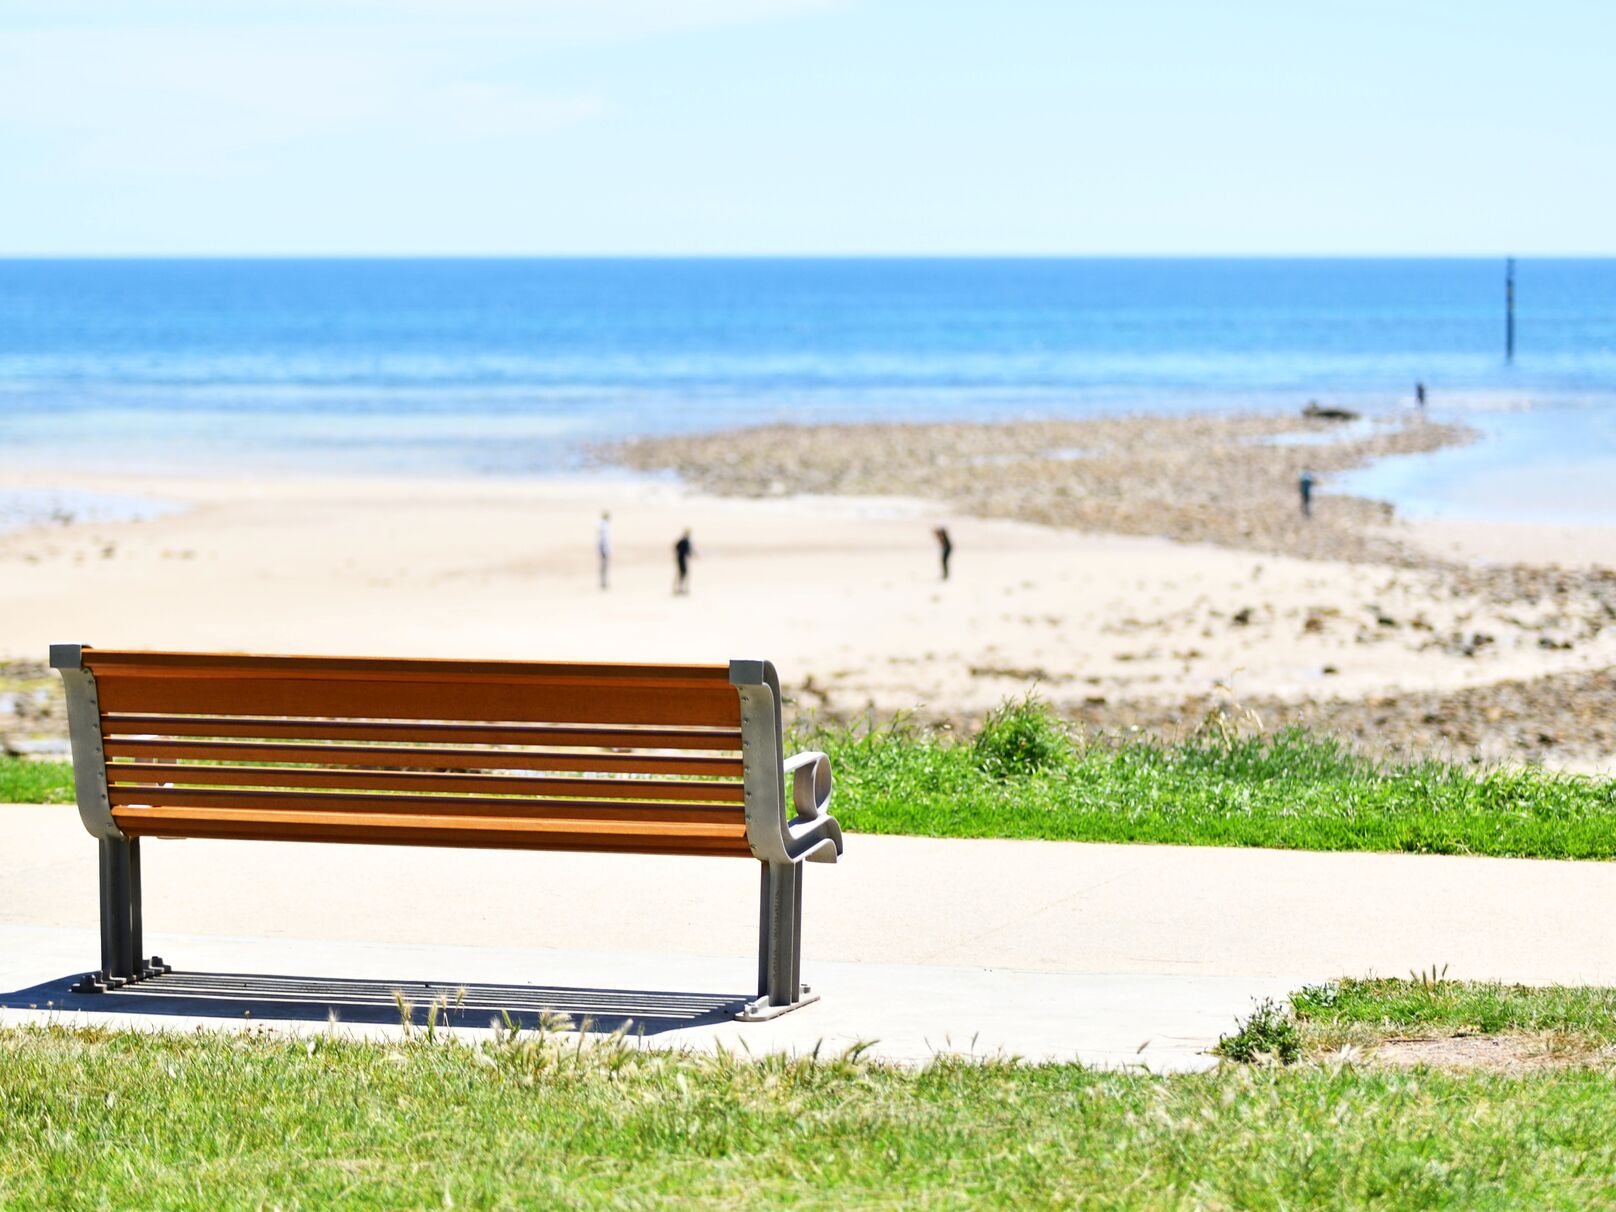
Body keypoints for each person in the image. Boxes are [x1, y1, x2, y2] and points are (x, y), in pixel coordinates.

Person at [673, 529, 694, 595]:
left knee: (682, 573)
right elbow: (678, 548)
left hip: (681, 558)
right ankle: (680, 588)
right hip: (681, 559)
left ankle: (680, 588)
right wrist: (684, 553)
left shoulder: (683, 541)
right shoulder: (684, 541)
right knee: (682, 573)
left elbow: (676, 547)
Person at [596, 510, 611, 590]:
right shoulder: (604, 526)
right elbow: (603, 539)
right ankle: (603, 583)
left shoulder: (602, 525)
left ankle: (604, 582)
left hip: (602, 548)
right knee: (604, 566)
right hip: (603, 548)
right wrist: (605, 549)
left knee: (604, 566)